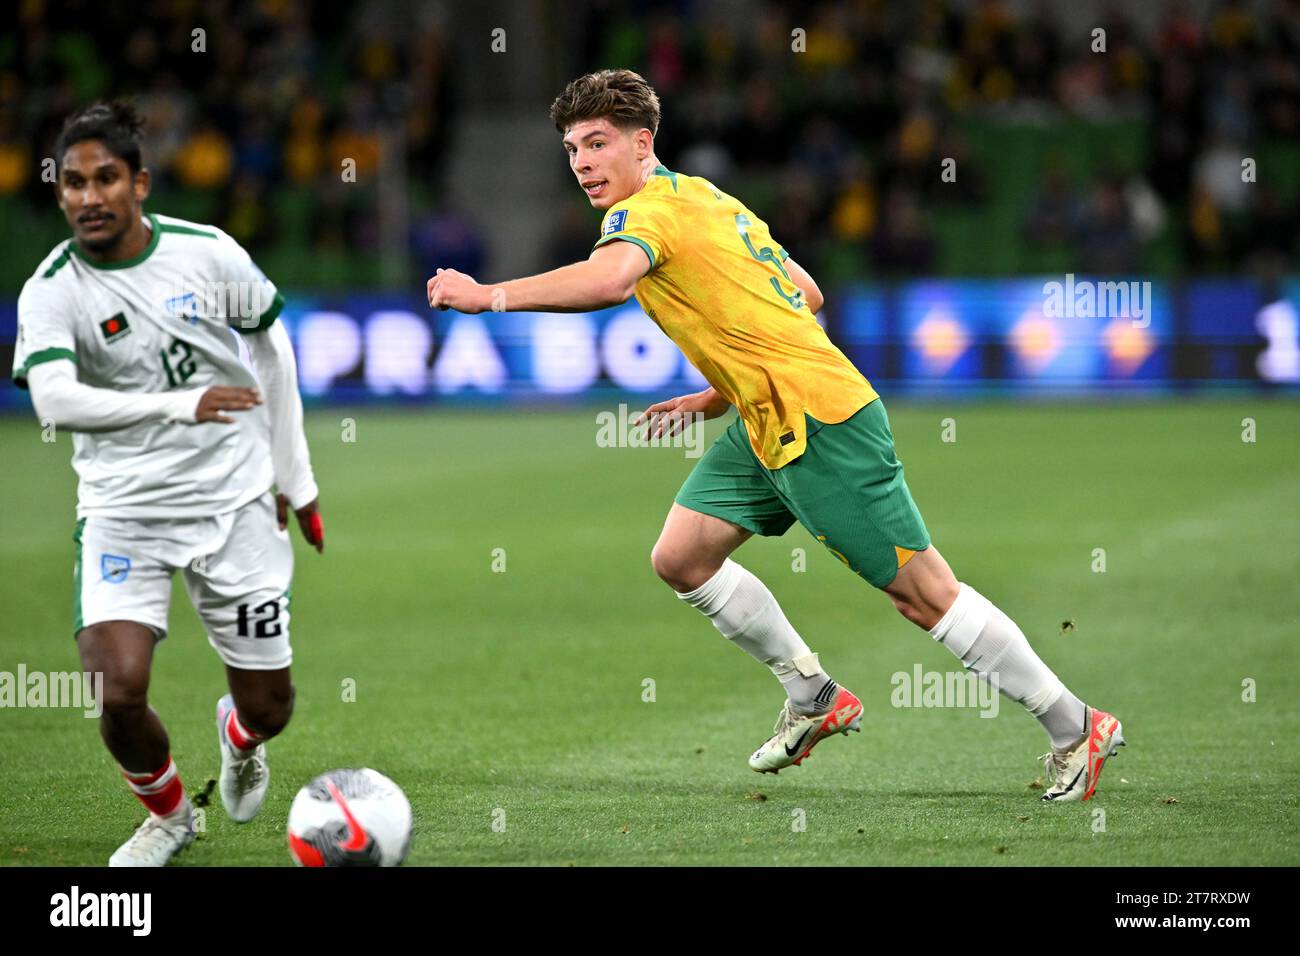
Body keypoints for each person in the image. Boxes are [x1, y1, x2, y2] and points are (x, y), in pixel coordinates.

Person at [426, 70, 1123, 800]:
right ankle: (813, 694)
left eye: (597, 143)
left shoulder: (643, 218)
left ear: (643, 143)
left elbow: (608, 283)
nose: (583, 163)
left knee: (925, 595)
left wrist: (489, 296)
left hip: (820, 422)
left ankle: (1075, 726)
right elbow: (806, 294)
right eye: (572, 148)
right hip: (764, 419)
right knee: (683, 557)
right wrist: (719, 391)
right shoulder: (707, 198)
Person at [12, 102, 323, 865]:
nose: (89, 197)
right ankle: (173, 817)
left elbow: (272, 349)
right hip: (124, 512)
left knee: (271, 707)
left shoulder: (207, 254)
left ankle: (240, 741)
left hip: (235, 500)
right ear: (59, 194)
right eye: (73, 183)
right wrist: (181, 403)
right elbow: (53, 400)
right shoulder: (52, 289)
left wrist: (297, 478)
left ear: (140, 183)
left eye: (106, 179)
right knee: (117, 690)